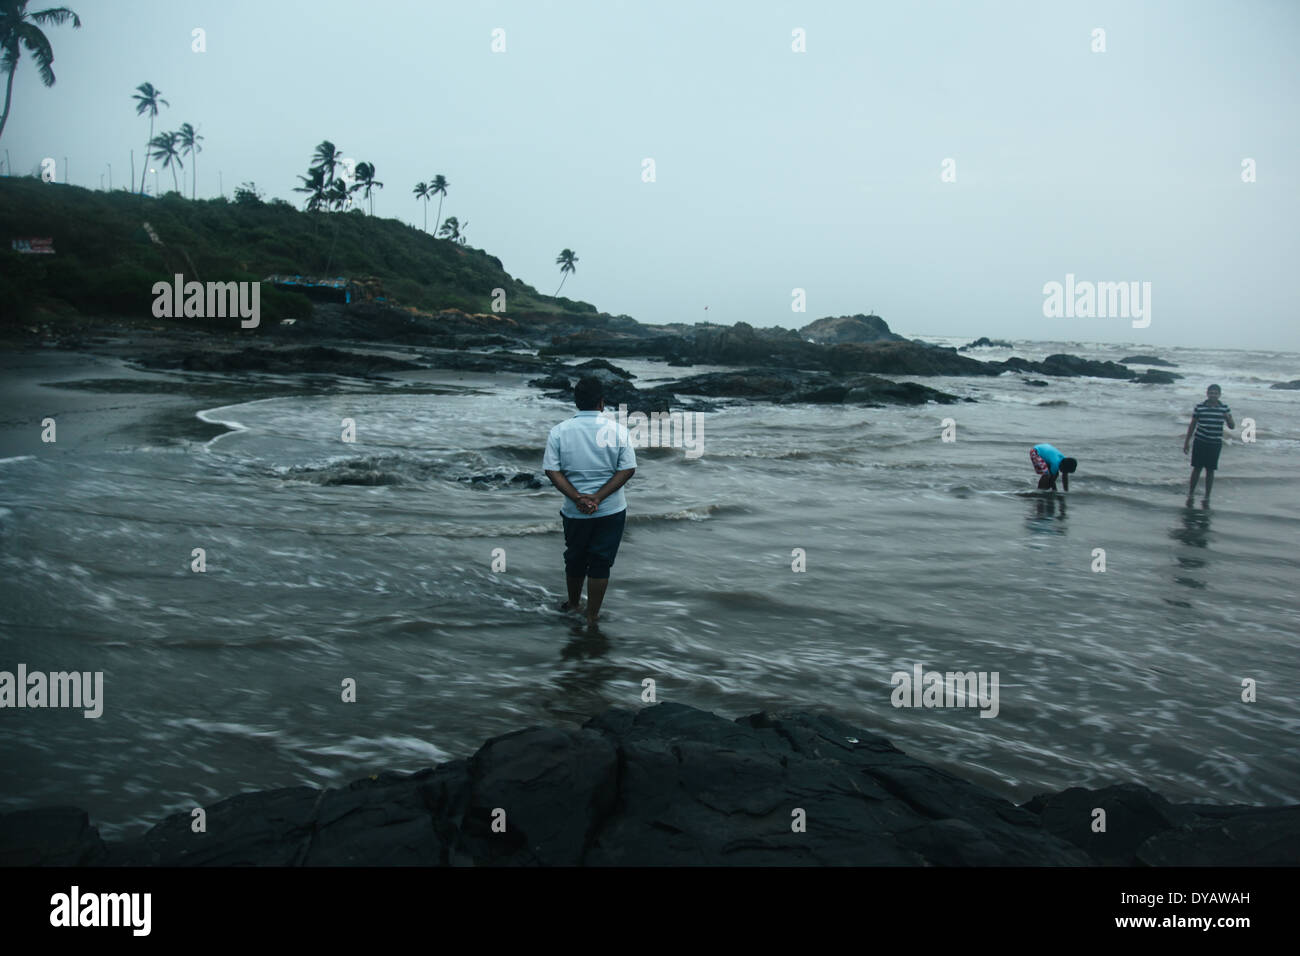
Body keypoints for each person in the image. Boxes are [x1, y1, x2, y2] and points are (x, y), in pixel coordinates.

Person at [542, 376, 636, 628]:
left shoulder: (559, 431)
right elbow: (627, 470)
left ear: (576, 402)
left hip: (574, 511)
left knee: (575, 557)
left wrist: (576, 497)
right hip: (610, 510)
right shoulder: (618, 430)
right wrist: (598, 497)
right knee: (601, 561)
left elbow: (552, 470)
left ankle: (573, 605)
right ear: (602, 403)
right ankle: (592, 616)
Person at [1184, 384, 1234, 506]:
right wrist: (1187, 442)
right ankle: (1191, 493)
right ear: (1207, 394)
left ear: (1219, 394)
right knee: (1197, 468)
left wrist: (1227, 418)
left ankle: (1207, 496)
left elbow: (1232, 426)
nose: (1213, 395)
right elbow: (1192, 425)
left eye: (1215, 393)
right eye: (1211, 393)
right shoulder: (1200, 407)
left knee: (1211, 470)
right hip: (1200, 441)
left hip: (1215, 442)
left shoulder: (1224, 408)